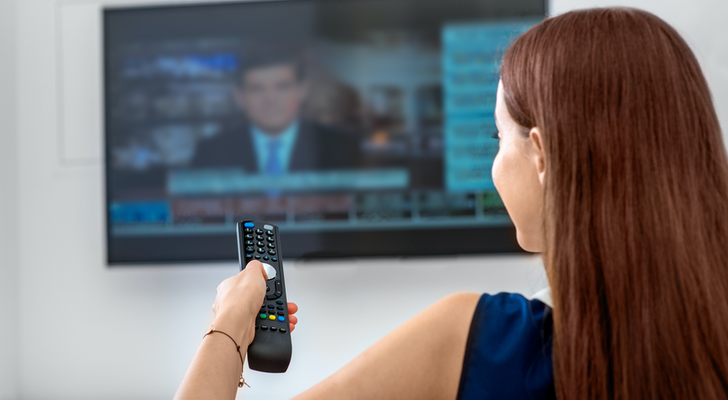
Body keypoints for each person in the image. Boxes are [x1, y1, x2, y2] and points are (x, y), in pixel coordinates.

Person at [175, 8, 728, 400]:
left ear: (541, 156)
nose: (494, 164)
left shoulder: (479, 340)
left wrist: (228, 325)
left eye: (497, 138)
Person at [191, 46, 362, 174]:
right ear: (239, 97)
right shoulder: (210, 152)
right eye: (257, 89)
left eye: (282, 87)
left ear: (302, 91)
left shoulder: (342, 146)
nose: (270, 100)